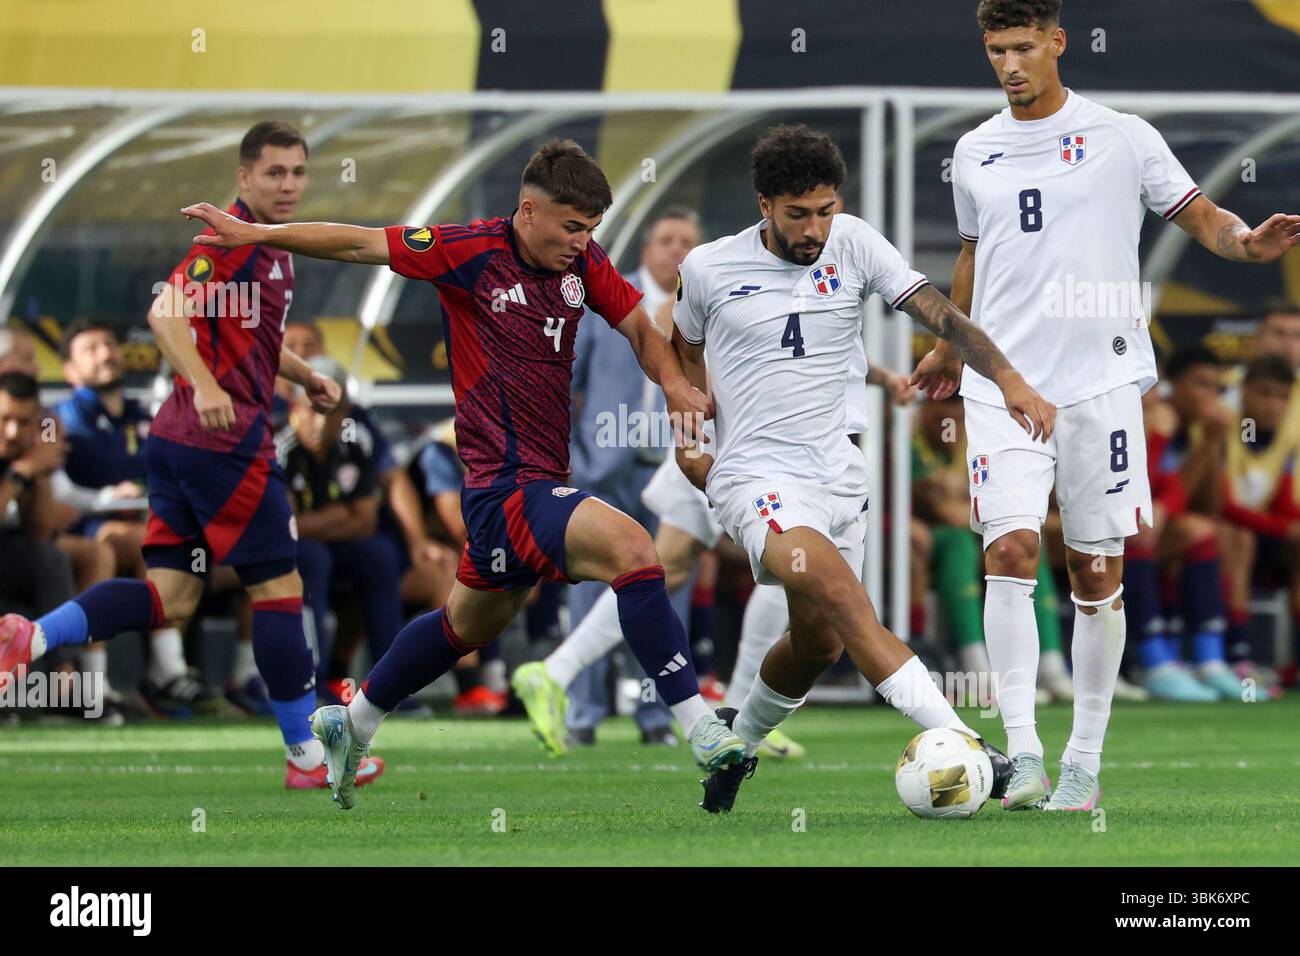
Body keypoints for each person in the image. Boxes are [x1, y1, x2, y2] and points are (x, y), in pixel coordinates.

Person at [175, 138, 745, 810]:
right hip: (503, 485)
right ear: (527, 211)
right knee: (634, 549)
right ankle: (699, 728)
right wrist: (257, 233)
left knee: (461, 628)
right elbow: (360, 243)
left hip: (534, 481)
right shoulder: (466, 250)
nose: (582, 242)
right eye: (570, 226)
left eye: (590, 229)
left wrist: (674, 382)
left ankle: (349, 724)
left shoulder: (582, 263)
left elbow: (641, 330)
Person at [910, 0, 1300, 811]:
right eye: (995, 50)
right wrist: (951, 344)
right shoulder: (974, 149)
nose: (1010, 65)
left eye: (1023, 47)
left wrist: (1244, 243)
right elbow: (976, 257)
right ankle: (1023, 754)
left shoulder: (1123, 135)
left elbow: (1199, 216)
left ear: (1057, 43)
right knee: (1010, 552)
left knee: (1096, 572)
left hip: (1102, 384)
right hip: (1002, 385)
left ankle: (1083, 759)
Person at [673, 123, 1053, 813]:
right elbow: (684, 352)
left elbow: (942, 315)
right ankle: (973, 746)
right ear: (764, 205)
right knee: (849, 604)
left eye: (825, 209)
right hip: (755, 479)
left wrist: (1010, 380)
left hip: (837, 476)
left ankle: (737, 745)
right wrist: (689, 434)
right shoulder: (708, 269)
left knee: (815, 643)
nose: (815, 228)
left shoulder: (853, 241)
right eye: (798, 214)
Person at [0, 121, 385, 793]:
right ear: (244, 179)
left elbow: (249, 338)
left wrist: (301, 376)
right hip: (222, 443)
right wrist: (206, 385)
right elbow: (165, 315)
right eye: (274, 173)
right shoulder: (227, 240)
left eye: (297, 172)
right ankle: (306, 756)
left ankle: (28, 638)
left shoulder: (272, 247)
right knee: (279, 589)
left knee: (170, 598)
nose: (288, 185)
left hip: (180, 444)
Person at [557, 206, 701, 748]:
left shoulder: (701, 309)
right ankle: (582, 715)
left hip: (670, 470)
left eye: (687, 241)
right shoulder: (606, 300)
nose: (677, 250)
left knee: (665, 592)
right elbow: (564, 382)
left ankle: (656, 718)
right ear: (647, 250)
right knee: (593, 588)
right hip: (605, 469)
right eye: (667, 238)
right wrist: (574, 458)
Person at [55, 319, 203, 713]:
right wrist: (108, 495)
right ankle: (100, 681)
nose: (105, 353)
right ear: (69, 371)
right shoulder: (59, 419)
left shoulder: (146, 414)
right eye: (91, 348)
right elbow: (59, 492)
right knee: (140, 543)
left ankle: (169, 674)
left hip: (144, 528)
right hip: (84, 531)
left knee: (186, 546)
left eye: (110, 343)